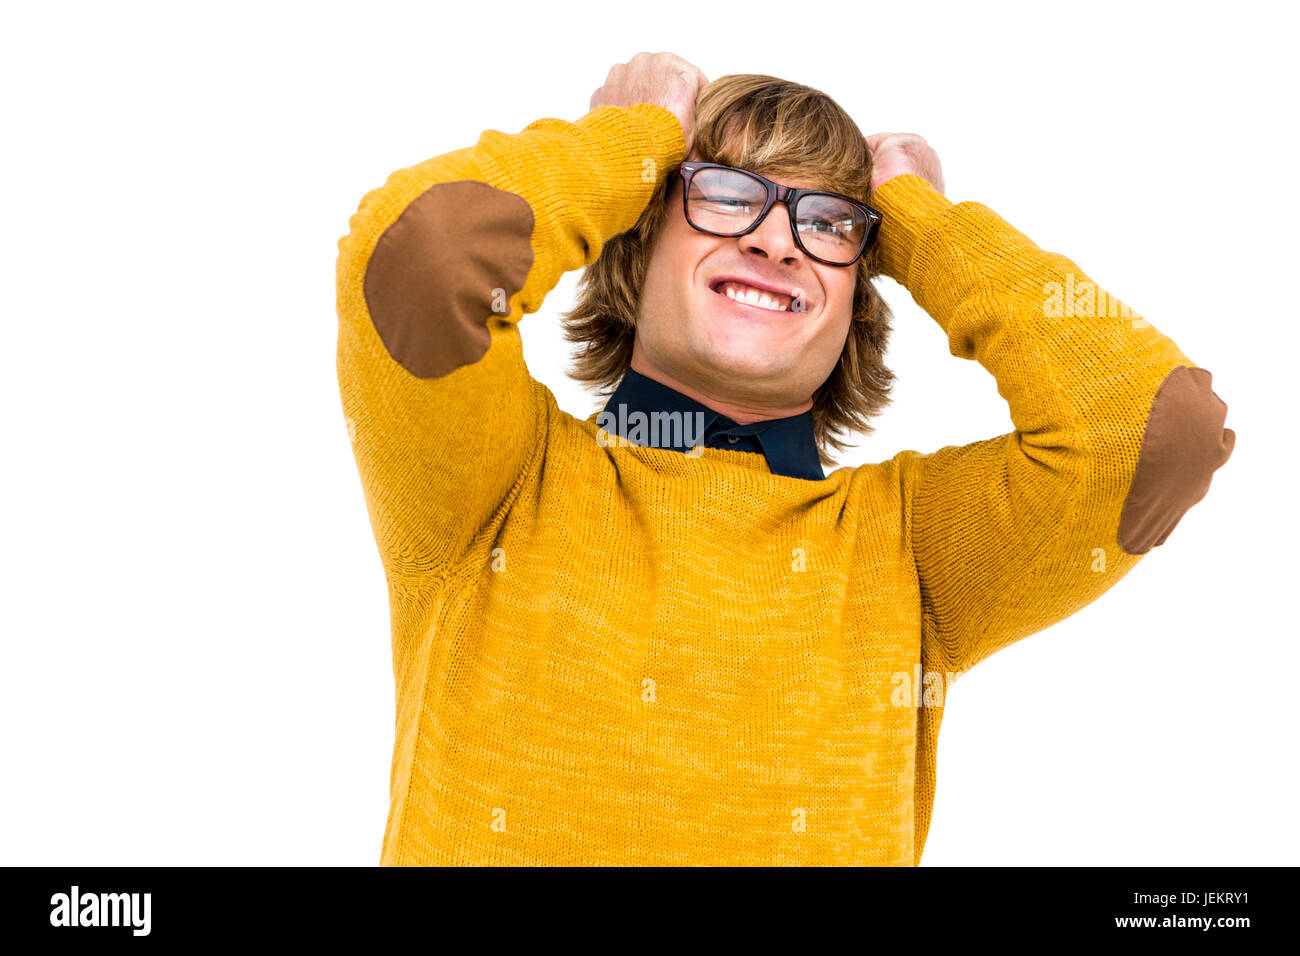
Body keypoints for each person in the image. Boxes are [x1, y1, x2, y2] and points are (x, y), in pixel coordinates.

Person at [335, 52, 1235, 866]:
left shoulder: (911, 550)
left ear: (857, 298)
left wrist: (920, 221)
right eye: (725, 194)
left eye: (831, 222)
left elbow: (1154, 428)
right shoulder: (493, 481)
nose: (775, 241)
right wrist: (632, 138)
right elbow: (422, 251)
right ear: (639, 242)